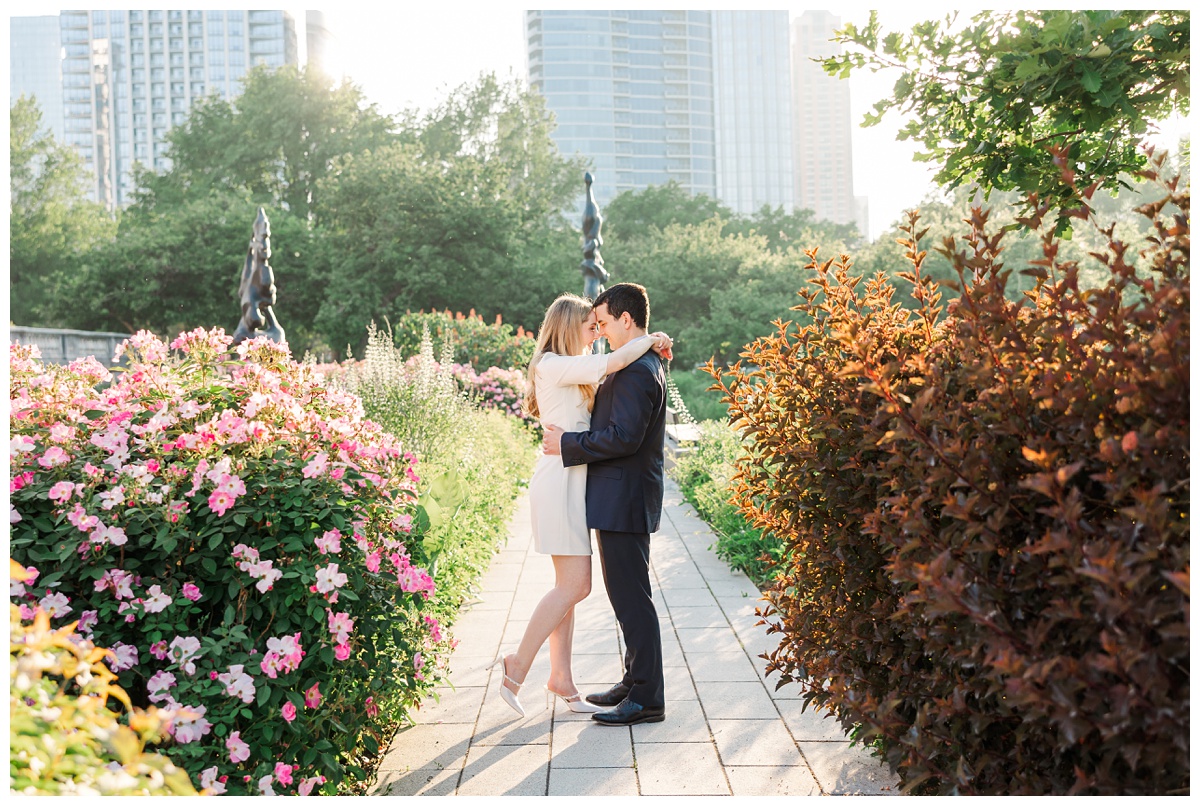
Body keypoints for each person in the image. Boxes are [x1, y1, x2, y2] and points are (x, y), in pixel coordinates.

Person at [490, 292, 672, 718]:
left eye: (601, 324)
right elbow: (608, 365)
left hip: (579, 482)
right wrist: (650, 340)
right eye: (591, 327)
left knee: (573, 587)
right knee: (574, 586)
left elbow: (618, 417)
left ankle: (563, 678)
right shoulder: (555, 364)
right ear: (569, 327)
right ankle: (519, 665)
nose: (597, 333)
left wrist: (649, 341)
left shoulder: (587, 368)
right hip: (560, 483)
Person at [542, 282, 669, 727]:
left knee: (632, 598)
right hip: (619, 496)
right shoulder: (634, 362)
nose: (598, 329)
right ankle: (635, 682)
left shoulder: (636, 369)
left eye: (603, 321)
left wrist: (566, 443)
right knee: (626, 595)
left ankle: (647, 698)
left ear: (626, 319)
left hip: (625, 497)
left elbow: (624, 438)